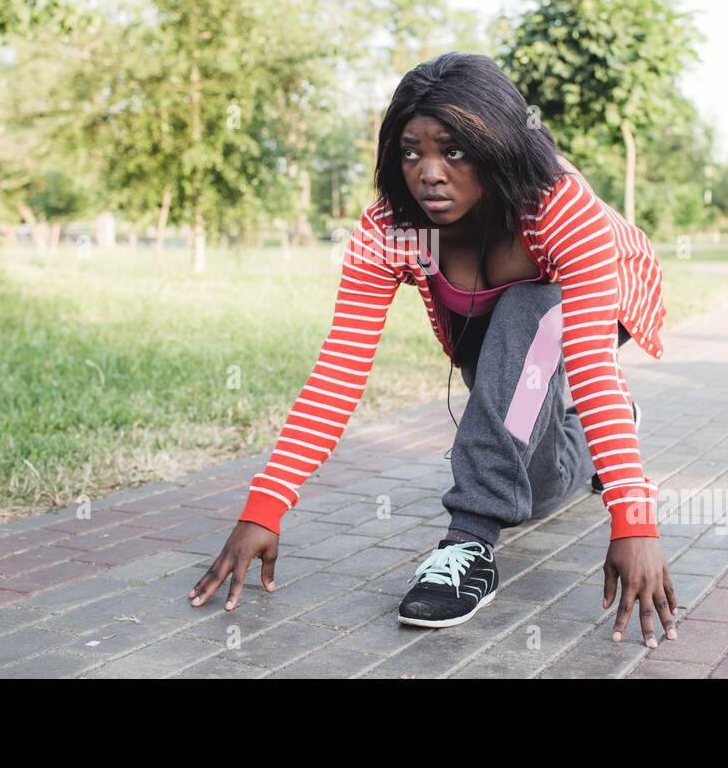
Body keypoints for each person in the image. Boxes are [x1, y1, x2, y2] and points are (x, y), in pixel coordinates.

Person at [188, 52, 679, 648]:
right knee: (533, 481)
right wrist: (264, 507)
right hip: (487, 324)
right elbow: (338, 370)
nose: (429, 173)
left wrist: (634, 518)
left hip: (597, 296)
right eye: (410, 151)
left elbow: (594, 365)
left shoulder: (555, 203)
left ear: (495, 144)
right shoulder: (390, 227)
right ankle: (584, 442)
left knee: (528, 319)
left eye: (454, 150)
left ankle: (469, 543)